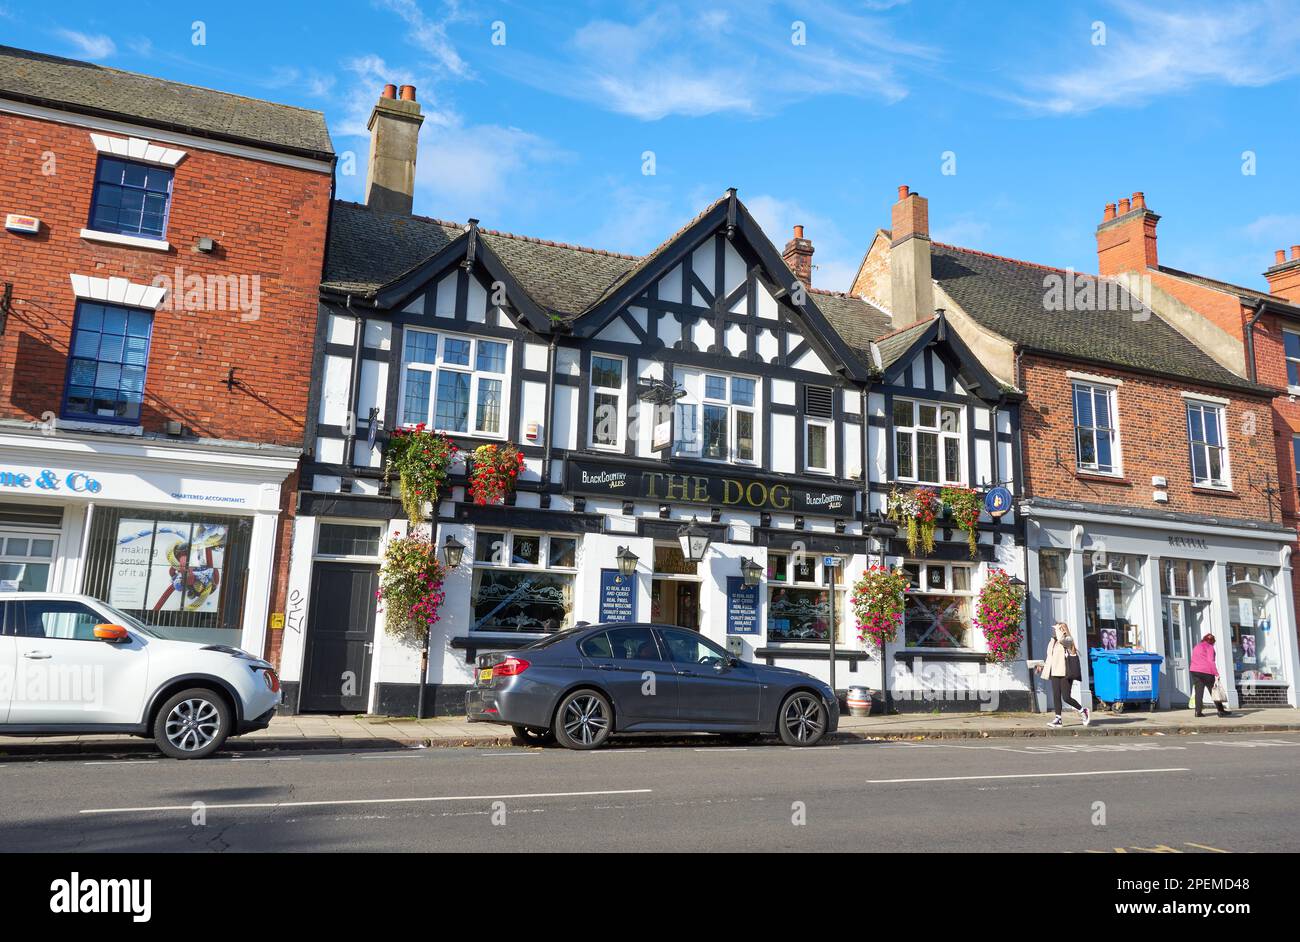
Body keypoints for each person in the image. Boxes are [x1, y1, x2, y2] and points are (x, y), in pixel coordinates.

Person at [1039, 622, 1090, 728]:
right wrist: (1042, 666)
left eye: (1057, 629)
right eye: (1055, 629)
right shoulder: (1052, 641)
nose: (1055, 630)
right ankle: (1058, 718)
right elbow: (1051, 657)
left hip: (1065, 673)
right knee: (1056, 696)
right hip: (1054, 672)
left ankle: (1083, 711)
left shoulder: (1068, 641)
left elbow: (1068, 644)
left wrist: (1065, 630)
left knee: (1066, 697)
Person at [1190, 633, 1231, 717]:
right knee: (1214, 691)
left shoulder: (1197, 646)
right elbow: (1211, 661)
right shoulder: (1209, 647)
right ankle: (1221, 710)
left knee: (1199, 692)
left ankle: (1198, 712)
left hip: (1194, 670)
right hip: (1206, 672)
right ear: (1212, 641)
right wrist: (1216, 673)